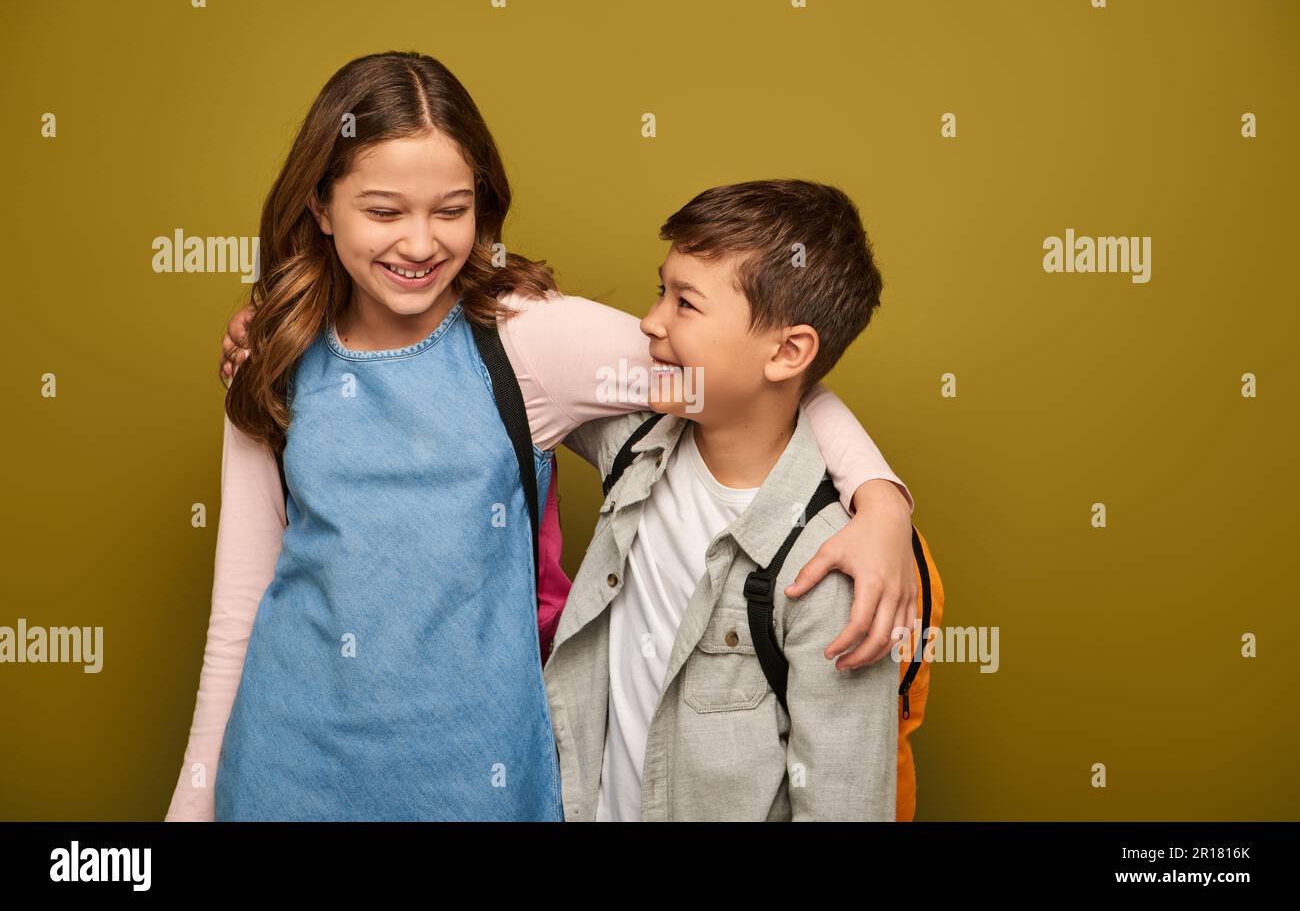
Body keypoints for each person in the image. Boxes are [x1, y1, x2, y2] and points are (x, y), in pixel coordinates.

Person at [166, 51, 916, 821]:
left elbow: (749, 380)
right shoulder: (276, 355)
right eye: (384, 212)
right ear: (321, 205)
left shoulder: (529, 341)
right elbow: (239, 606)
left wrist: (883, 500)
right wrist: (192, 802)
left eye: (451, 210)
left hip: (481, 789)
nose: (419, 244)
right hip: (283, 777)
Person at [547, 180, 913, 820]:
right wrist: (886, 498)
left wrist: (883, 508)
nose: (650, 321)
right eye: (661, 290)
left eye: (686, 303)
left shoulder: (830, 571)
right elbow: (537, 340)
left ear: (789, 351)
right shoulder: (633, 446)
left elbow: (843, 802)